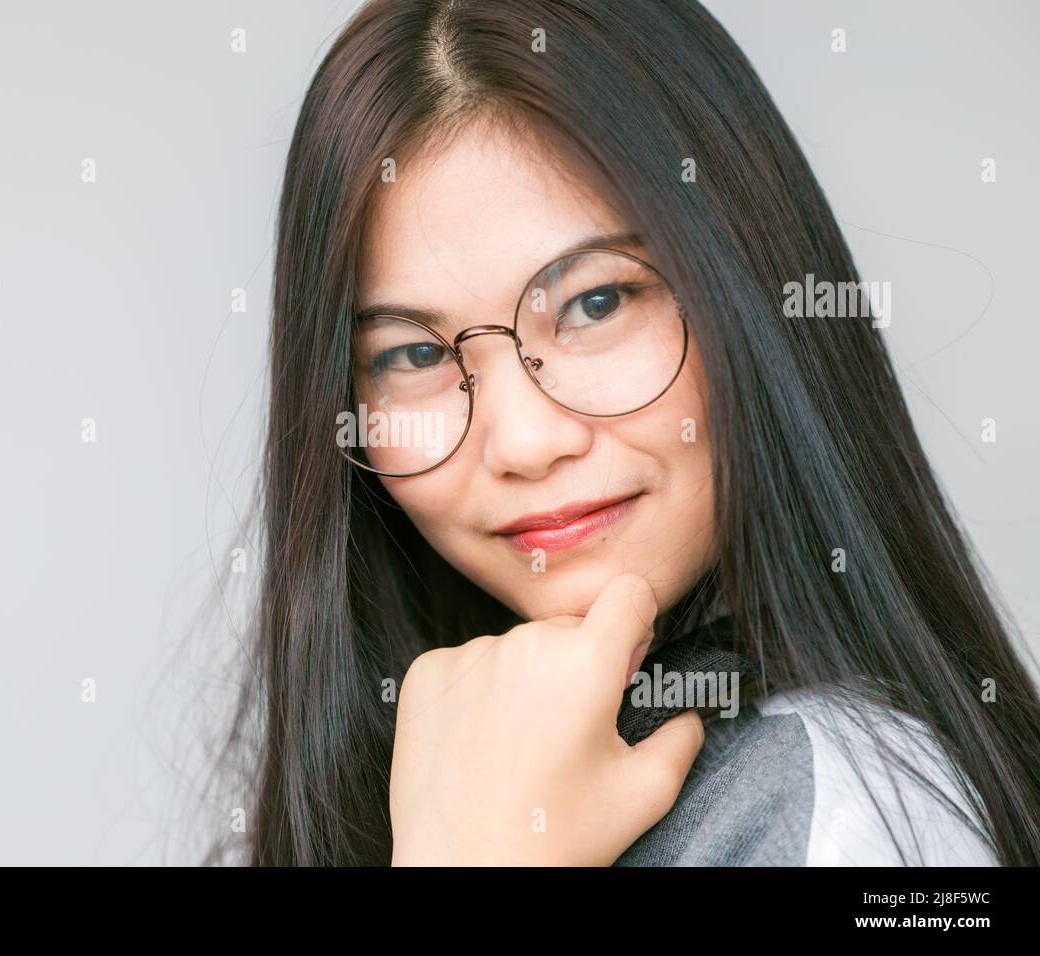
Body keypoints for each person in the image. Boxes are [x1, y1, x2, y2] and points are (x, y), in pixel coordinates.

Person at [201, 0, 1040, 866]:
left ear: (746, 294)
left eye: (594, 304)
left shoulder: (842, 813)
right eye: (413, 353)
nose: (523, 443)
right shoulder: (409, 776)